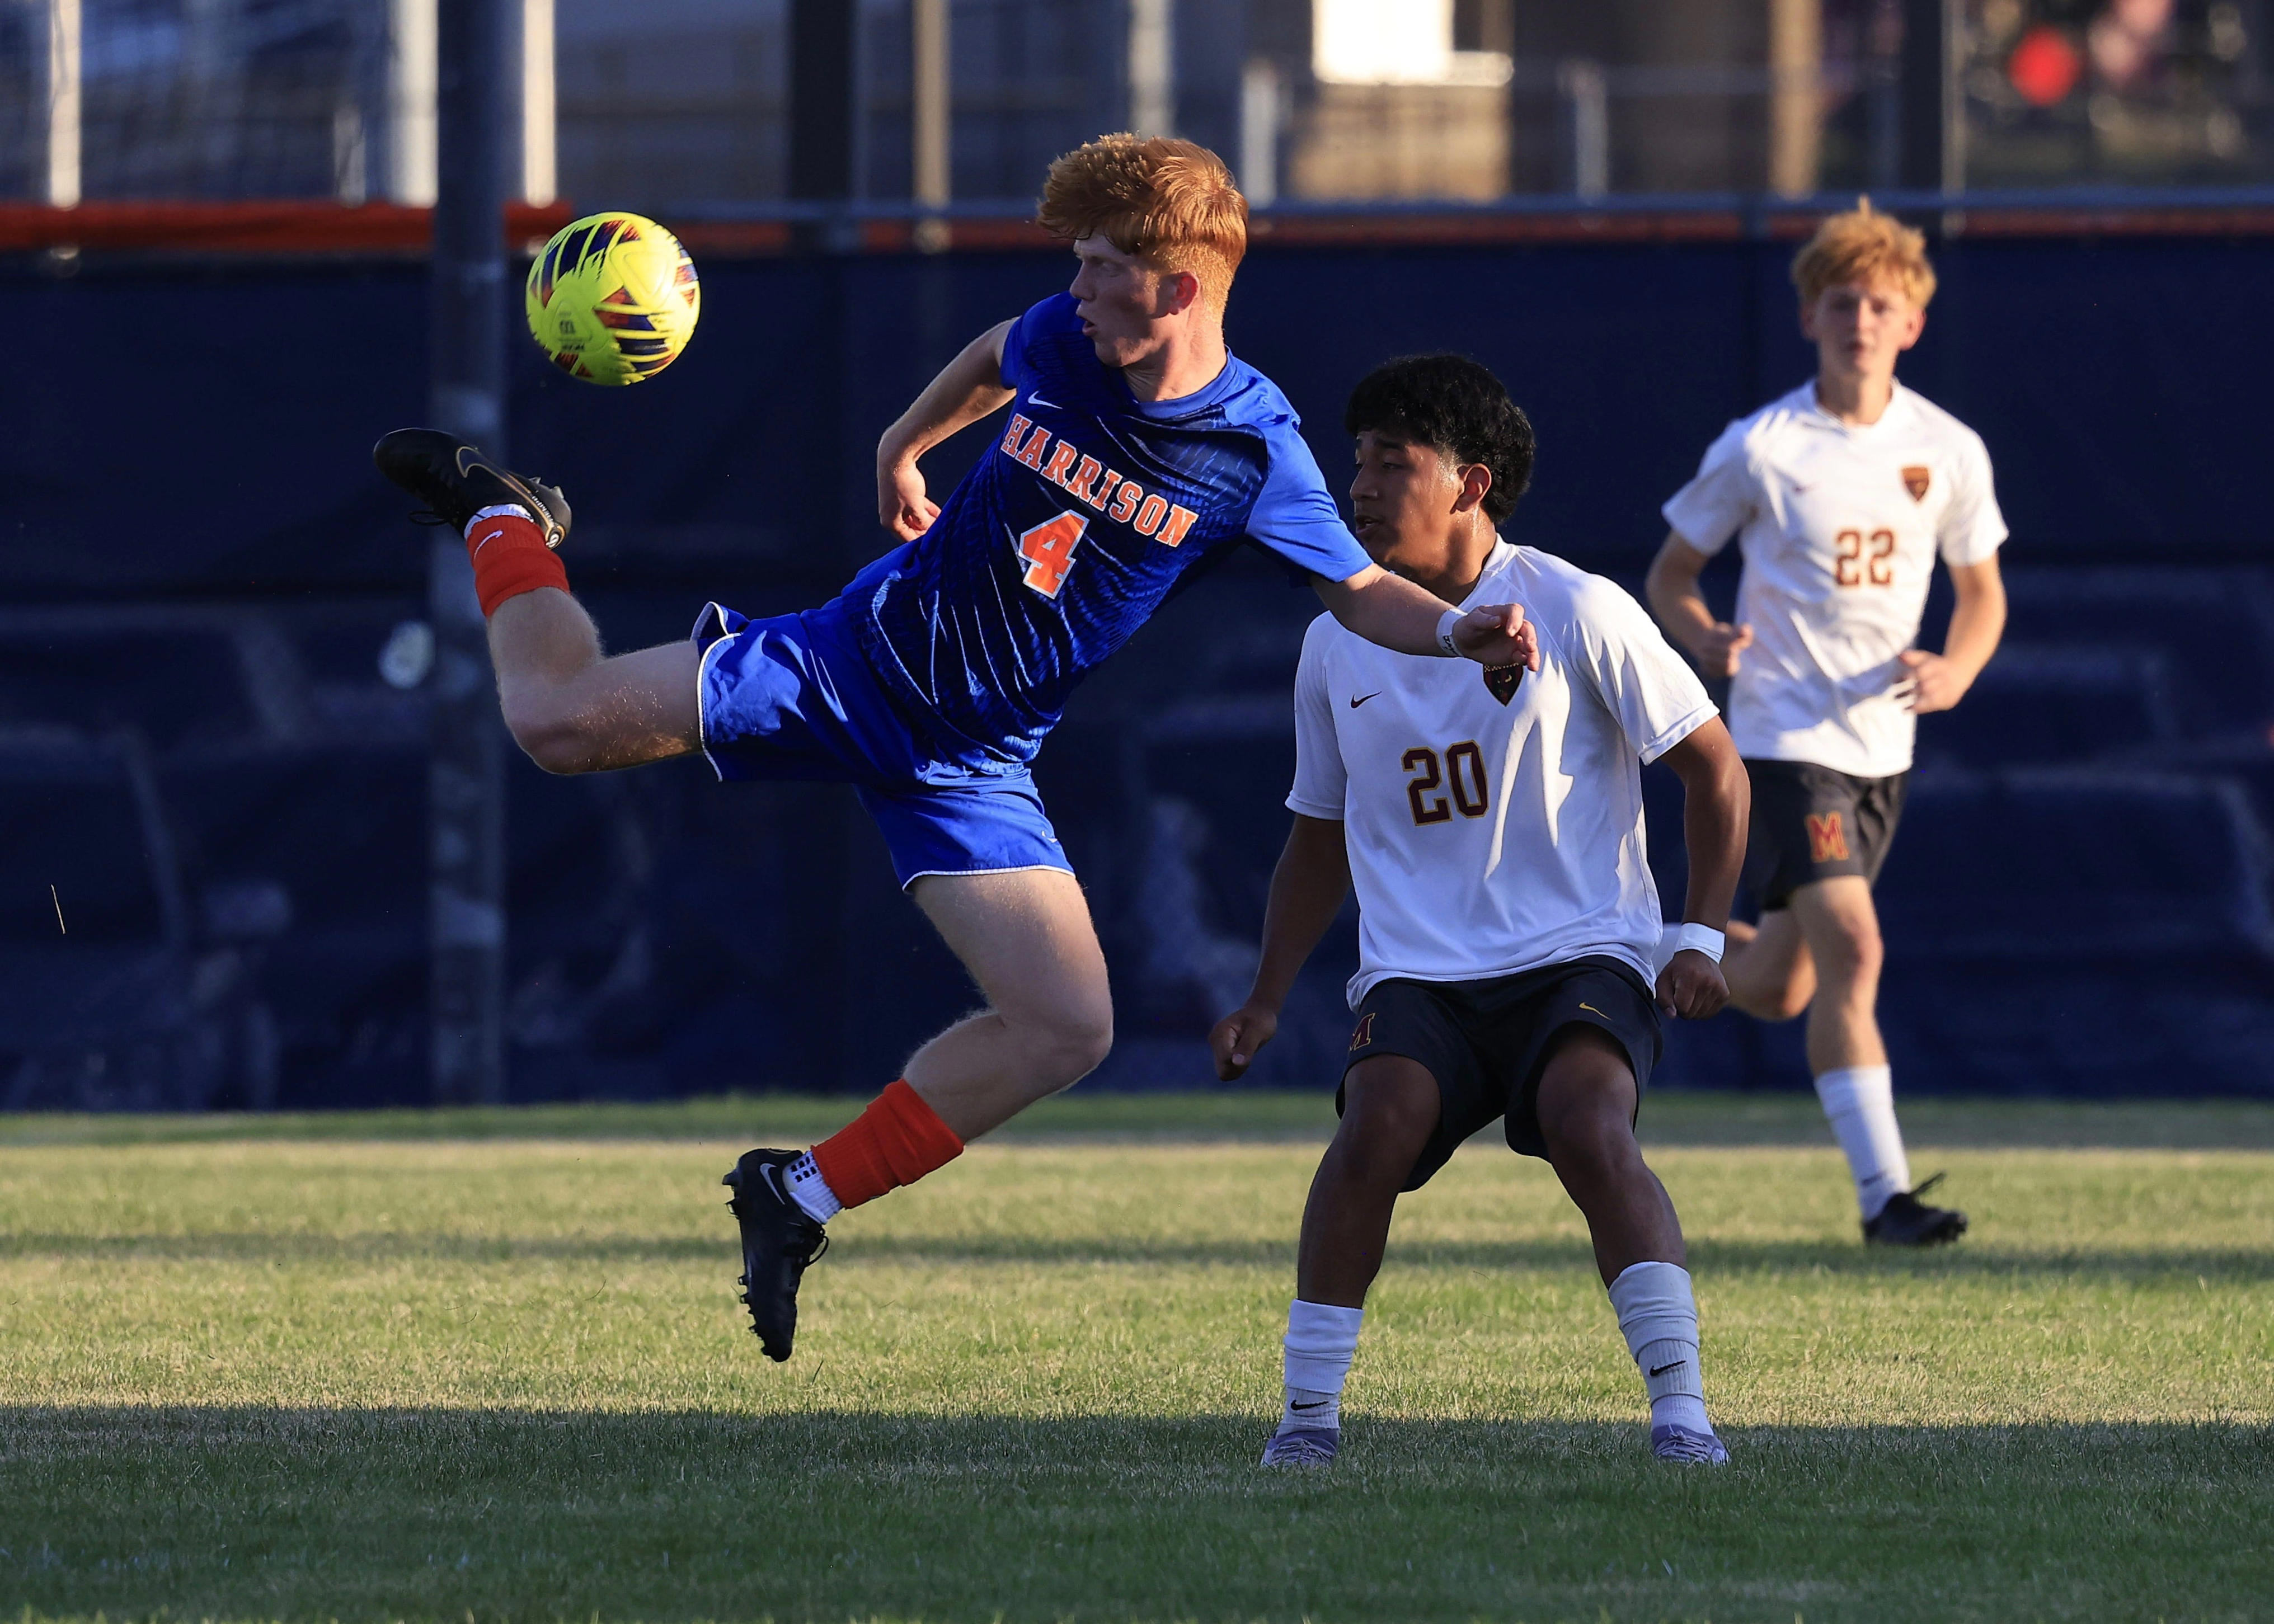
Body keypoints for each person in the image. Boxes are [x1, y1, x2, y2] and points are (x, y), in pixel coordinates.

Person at [372, 135, 1540, 1363]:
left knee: (1067, 1027)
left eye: (1098, 267)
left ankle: (797, 1194)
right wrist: (902, 441)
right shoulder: (1071, 339)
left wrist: (1455, 630)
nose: (1074, 289)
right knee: (554, 723)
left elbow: (1357, 590)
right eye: (1076, 263)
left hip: (974, 761)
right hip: (852, 667)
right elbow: (994, 350)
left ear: (1178, 289)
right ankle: (503, 515)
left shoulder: (1252, 449)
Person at [1209, 355, 1749, 1467]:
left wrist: (1696, 936)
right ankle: (1306, 1423)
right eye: (1355, 461)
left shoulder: (1578, 606)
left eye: (1392, 462)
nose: (1360, 486)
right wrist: (1265, 997)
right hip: (1421, 974)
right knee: (1375, 1126)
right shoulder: (1334, 638)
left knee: (1589, 1122)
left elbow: (1716, 770)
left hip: (1580, 953)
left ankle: (1683, 1416)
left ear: (1471, 483)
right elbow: (1318, 835)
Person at [1644, 200, 2007, 1247]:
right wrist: (1704, 635)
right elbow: (1672, 577)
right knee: (1856, 944)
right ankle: (1885, 1200)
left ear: (1912, 325)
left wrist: (1958, 668)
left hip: (1883, 746)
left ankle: (1644, 948)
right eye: (1841, 303)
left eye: (1881, 305)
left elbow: (1982, 594)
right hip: (1784, 737)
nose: (1860, 321)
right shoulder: (1762, 447)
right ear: (1808, 318)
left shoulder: (1947, 449)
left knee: (1783, 983)